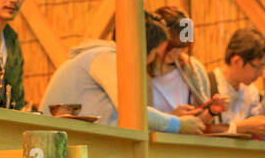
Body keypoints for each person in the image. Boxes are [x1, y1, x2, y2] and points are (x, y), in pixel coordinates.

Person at [40, 12, 206, 134]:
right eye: (155, 53)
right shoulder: (105, 57)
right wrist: (178, 124)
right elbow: (132, 110)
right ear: (143, 48)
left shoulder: (107, 58)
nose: (153, 60)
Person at [207, 29, 265, 138]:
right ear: (237, 61)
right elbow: (200, 130)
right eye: (257, 67)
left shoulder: (250, 91)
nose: (260, 74)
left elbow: (264, 134)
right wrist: (242, 127)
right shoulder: (208, 83)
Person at [149, 6, 216, 119]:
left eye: (183, 47)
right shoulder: (141, 73)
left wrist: (212, 111)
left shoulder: (193, 69)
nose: (177, 52)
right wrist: (172, 120)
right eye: (172, 46)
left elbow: (202, 123)